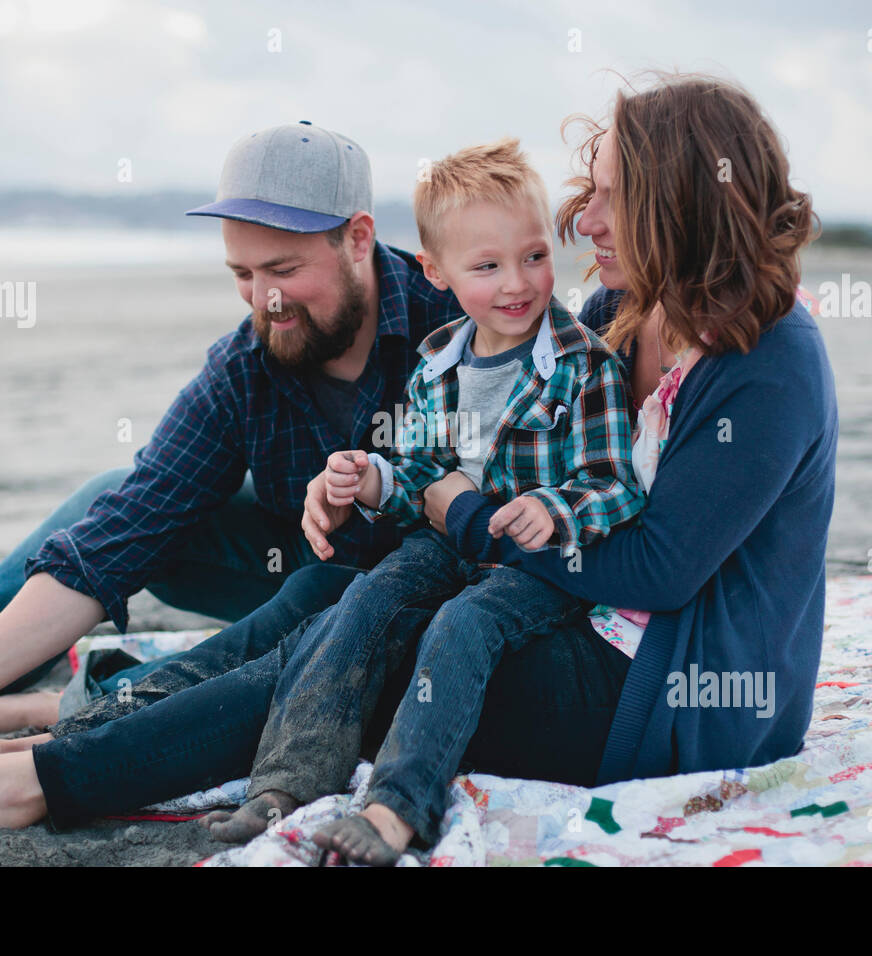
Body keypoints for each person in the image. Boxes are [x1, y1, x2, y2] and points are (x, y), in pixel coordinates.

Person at [0, 73, 837, 868]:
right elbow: (139, 516)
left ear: (674, 201)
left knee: (367, 658)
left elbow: (659, 568)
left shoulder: (770, 358)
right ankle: (35, 739)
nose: (585, 216)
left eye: (611, 194)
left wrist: (461, 514)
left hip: (674, 697)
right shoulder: (636, 314)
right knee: (334, 611)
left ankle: (31, 777)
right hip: (569, 617)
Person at [0, 121, 462, 753]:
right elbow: (127, 527)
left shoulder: (460, 318)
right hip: (289, 576)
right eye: (243, 275)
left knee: (309, 612)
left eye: (283, 271)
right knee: (117, 499)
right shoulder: (244, 366)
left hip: (438, 604)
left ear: (360, 238)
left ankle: (49, 708)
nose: (264, 301)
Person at [197, 137, 643, 844]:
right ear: (436, 271)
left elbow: (617, 487)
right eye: (488, 266)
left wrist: (552, 509)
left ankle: (398, 808)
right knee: (366, 598)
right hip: (444, 544)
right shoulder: (438, 363)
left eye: (533, 257)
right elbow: (419, 475)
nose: (517, 284)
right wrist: (370, 479)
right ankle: (286, 784)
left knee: (461, 625)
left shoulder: (584, 367)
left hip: (536, 567)